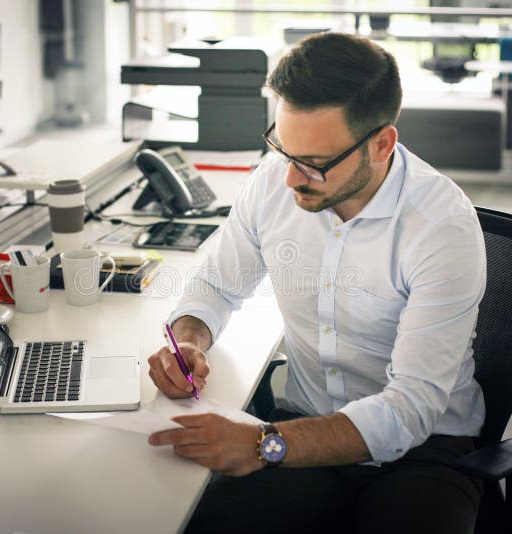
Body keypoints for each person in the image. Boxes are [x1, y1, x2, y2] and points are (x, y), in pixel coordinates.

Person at [147, 32, 487, 534]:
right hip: (302, 430)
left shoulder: (441, 227)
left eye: (314, 163)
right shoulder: (273, 182)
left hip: (423, 452)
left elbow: (410, 409)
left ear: (382, 144)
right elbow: (217, 285)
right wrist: (189, 342)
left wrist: (262, 444)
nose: (290, 178)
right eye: (284, 150)